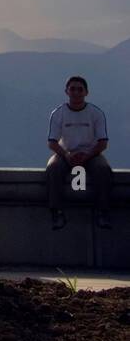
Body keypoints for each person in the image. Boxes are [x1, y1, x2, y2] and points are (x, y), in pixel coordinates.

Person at [46, 75, 112, 230]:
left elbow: (103, 142)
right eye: (72, 89)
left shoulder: (96, 113)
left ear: (86, 92)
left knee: (103, 170)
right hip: (64, 153)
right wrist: (67, 155)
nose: (76, 92)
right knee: (53, 169)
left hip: (92, 153)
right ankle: (57, 212)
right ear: (66, 91)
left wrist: (87, 156)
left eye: (80, 89)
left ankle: (103, 212)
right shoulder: (58, 113)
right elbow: (52, 142)